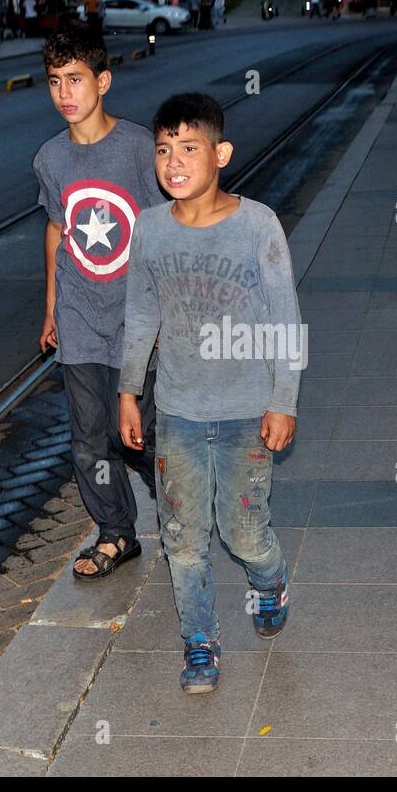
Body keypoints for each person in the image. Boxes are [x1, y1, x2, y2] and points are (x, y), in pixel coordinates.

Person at [119, 92, 300, 694]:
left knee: (244, 533)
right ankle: (201, 643)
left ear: (220, 153)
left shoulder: (258, 225)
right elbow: (141, 315)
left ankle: (270, 578)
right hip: (178, 413)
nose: (173, 162)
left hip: (249, 410)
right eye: (164, 150)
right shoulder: (148, 229)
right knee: (183, 539)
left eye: (188, 149)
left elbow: (284, 317)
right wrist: (127, 391)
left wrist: (284, 401)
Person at [33, 25, 166, 581]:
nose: (66, 93)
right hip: (81, 316)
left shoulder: (138, 148)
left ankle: (184, 513)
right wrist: (50, 308)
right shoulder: (50, 159)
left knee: (140, 433)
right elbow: (58, 230)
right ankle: (115, 533)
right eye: (56, 81)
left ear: (103, 81)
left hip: (137, 317)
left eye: (77, 80)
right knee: (90, 439)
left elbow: (166, 226)